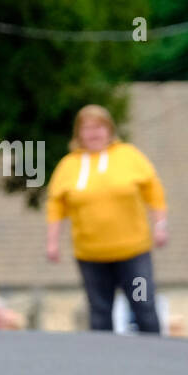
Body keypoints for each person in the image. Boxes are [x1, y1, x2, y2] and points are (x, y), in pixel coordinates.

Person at [45, 104, 167, 334]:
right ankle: (105, 364)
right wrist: (52, 242)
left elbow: (155, 193)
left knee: (143, 303)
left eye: (99, 127)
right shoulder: (68, 165)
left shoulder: (129, 156)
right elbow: (55, 206)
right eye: (87, 128)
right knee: (100, 311)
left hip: (134, 255)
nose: (93, 133)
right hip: (92, 257)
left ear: (109, 129)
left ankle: (155, 356)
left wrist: (160, 225)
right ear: (78, 133)